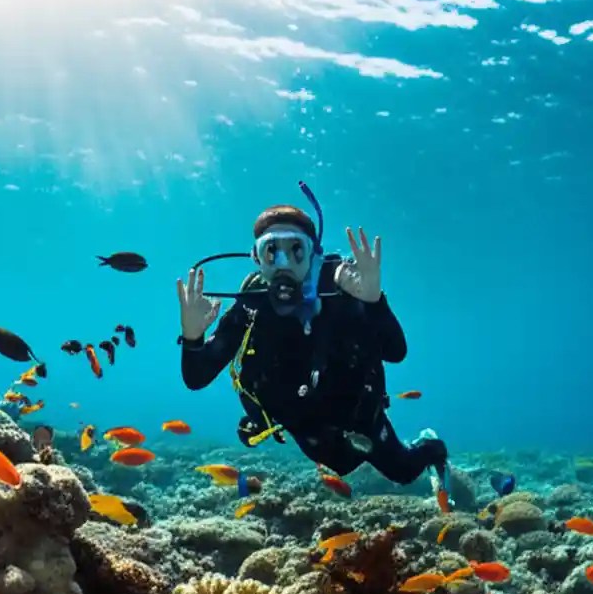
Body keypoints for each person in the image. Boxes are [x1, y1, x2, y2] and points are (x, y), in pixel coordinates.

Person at [176, 184, 451, 498]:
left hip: (359, 416)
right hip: (301, 424)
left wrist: (374, 302)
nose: (284, 263)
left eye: (296, 250)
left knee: (403, 472)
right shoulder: (251, 304)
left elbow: (396, 352)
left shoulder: (345, 289)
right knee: (341, 465)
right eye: (271, 251)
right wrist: (192, 336)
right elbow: (196, 377)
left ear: (314, 252)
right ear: (257, 257)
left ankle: (432, 448)